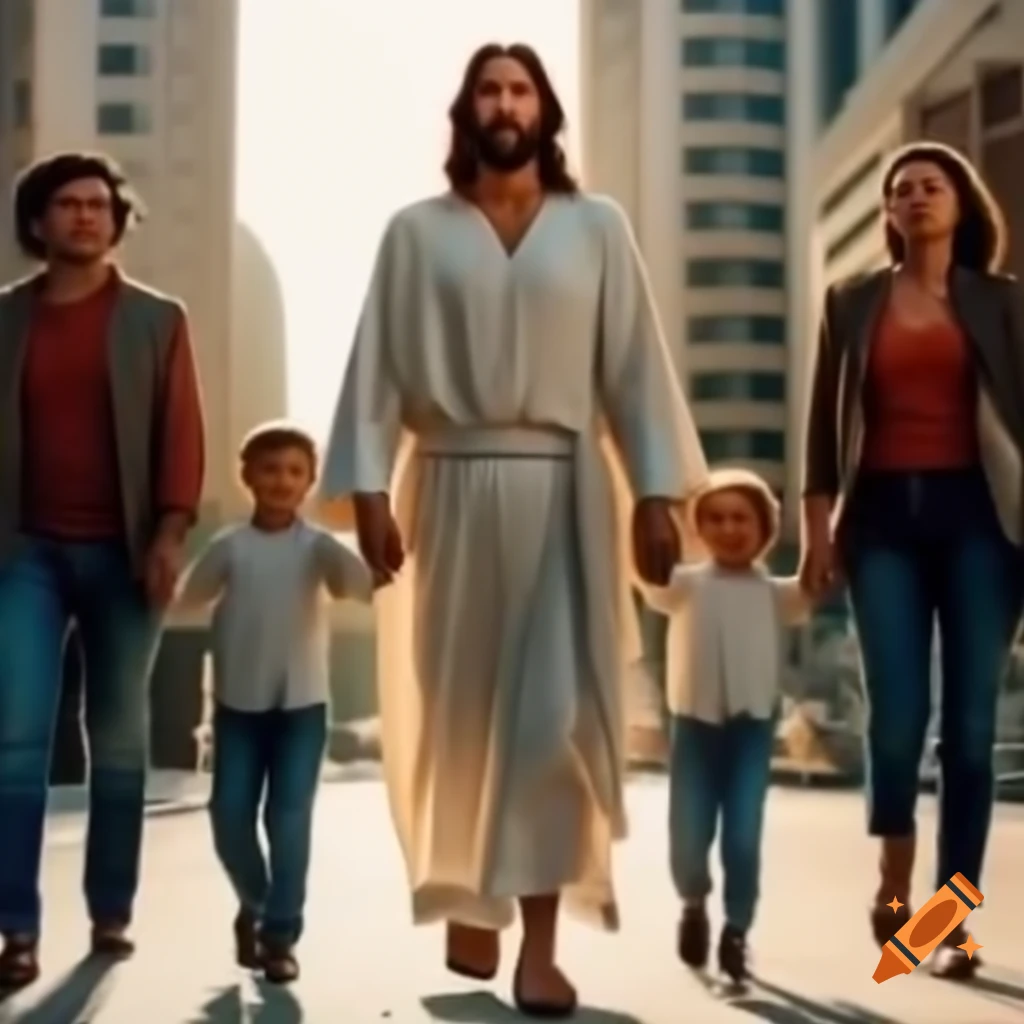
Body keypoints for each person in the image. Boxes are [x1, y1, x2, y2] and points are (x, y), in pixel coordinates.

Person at [319, 41, 707, 1017]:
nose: (504, 103)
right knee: (456, 714)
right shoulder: (415, 232)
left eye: (520, 88)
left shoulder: (597, 228)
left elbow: (633, 370)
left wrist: (657, 492)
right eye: (488, 89)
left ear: (544, 111)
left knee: (550, 723)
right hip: (442, 485)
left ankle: (537, 942)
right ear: (466, 111)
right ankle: (468, 888)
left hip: (566, 487)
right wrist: (366, 490)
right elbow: (376, 367)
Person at [800, 140, 1024, 979]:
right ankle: (895, 881)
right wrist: (819, 531)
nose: (916, 196)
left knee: (969, 733)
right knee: (896, 721)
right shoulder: (851, 301)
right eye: (901, 190)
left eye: (932, 185)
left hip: (983, 521)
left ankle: (950, 918)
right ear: (888, 215)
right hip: (884, 523)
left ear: (961, 204)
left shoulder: (1004, 303)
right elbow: (822, 431)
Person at [0, 152, 205, 989]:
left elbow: (181, 436)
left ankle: (110, 908)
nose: (86, 216)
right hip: (24, 555)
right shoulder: (6, 318)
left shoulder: (158, 321)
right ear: (38, 222)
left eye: (99, 204)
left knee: (118, 740)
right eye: (68, 204)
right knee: (17, 738)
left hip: (126, 553)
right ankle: (15, 925)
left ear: (116, 220)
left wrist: (169, 534)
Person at [176, 422, 372, 985]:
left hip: (302, 708)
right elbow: (188, 597)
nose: (282, 481)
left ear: (309, 481)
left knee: (288, 820)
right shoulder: (230, 547)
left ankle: (279, 936)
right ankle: (259, 905)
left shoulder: (317, 548)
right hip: (238, 706)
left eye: (294, 471)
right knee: (229, 815)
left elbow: (360, 584)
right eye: (270, 470)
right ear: (248, 479)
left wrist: (373, 538)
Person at [644, 469, 811, 984]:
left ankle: (736, 929)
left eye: (741, 518)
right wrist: (647, 510)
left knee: (742, 835)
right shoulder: (683, 585)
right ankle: (693, 902)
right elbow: (644, 572)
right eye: (715, 519)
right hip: (694, 727)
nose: (729, 528)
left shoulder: (776, 593)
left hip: (751, 730)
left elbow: (817, 582)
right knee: (689, 835)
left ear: (764, 527)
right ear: (698, 528)